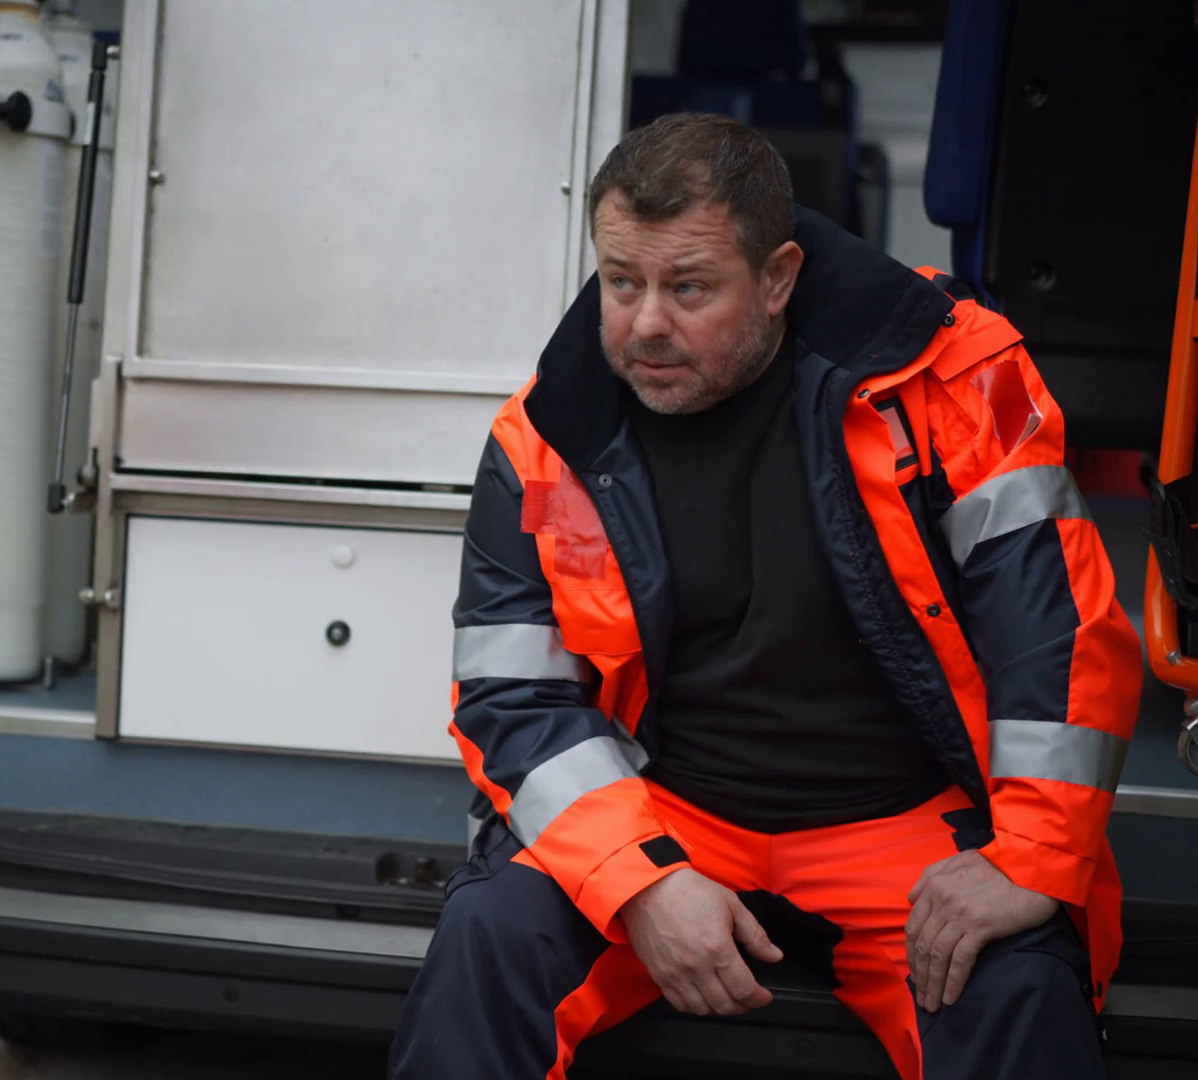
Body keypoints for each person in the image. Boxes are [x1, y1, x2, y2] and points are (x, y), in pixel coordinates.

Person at [388, 113, 1142, 1080]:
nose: (646, 323)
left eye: (689, 287)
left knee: (1015, 990)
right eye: (622, 282)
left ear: (779, 278)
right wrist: (644, 885)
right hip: (668, 813)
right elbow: (511, 696)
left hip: (902, 824)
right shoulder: (548, 432)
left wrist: (1029, 856)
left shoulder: (950, 377)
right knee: (489, 940)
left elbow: (1058, 630)